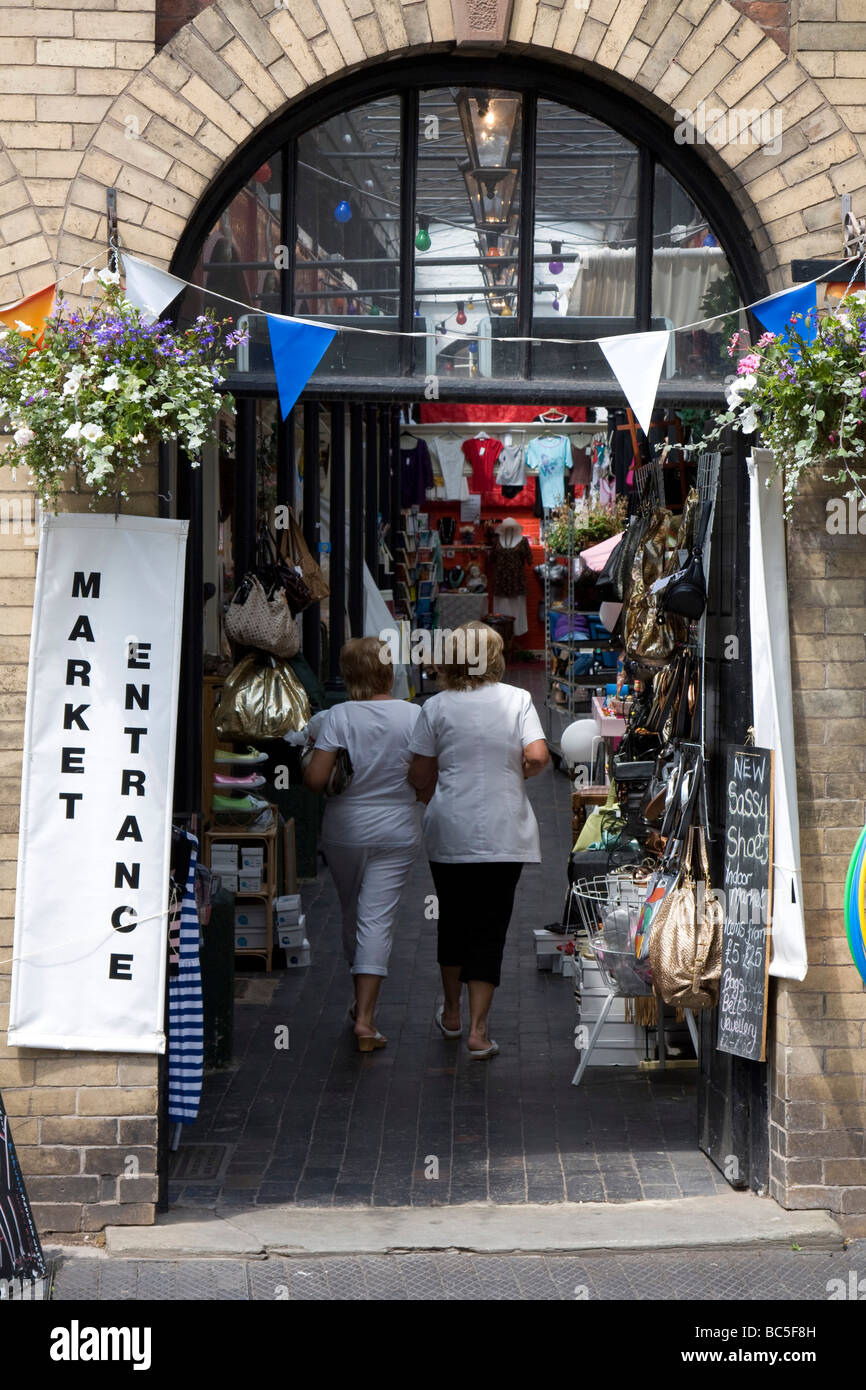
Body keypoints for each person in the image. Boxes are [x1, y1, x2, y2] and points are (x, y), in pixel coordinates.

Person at [407, 620, 549, 1058]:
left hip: (450, 828)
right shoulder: (518, 699)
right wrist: (515, 775)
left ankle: (451, 1012)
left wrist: (433, 793)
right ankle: (479, 1030)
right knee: (490, 926)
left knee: (452, 920)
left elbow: (418, 773)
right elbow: (539, 755)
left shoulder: (436, 707)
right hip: (504, 831)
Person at [303, 637, 421, 1052]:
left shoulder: (338, 716)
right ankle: (366, 1019)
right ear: (389, 672)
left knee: (353, 912)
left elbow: (316, 781)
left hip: (345, 829)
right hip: (397, 828)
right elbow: (426, 778)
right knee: (377, 918)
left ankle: (361, 1007)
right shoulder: (414, 716)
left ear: (351, 675)